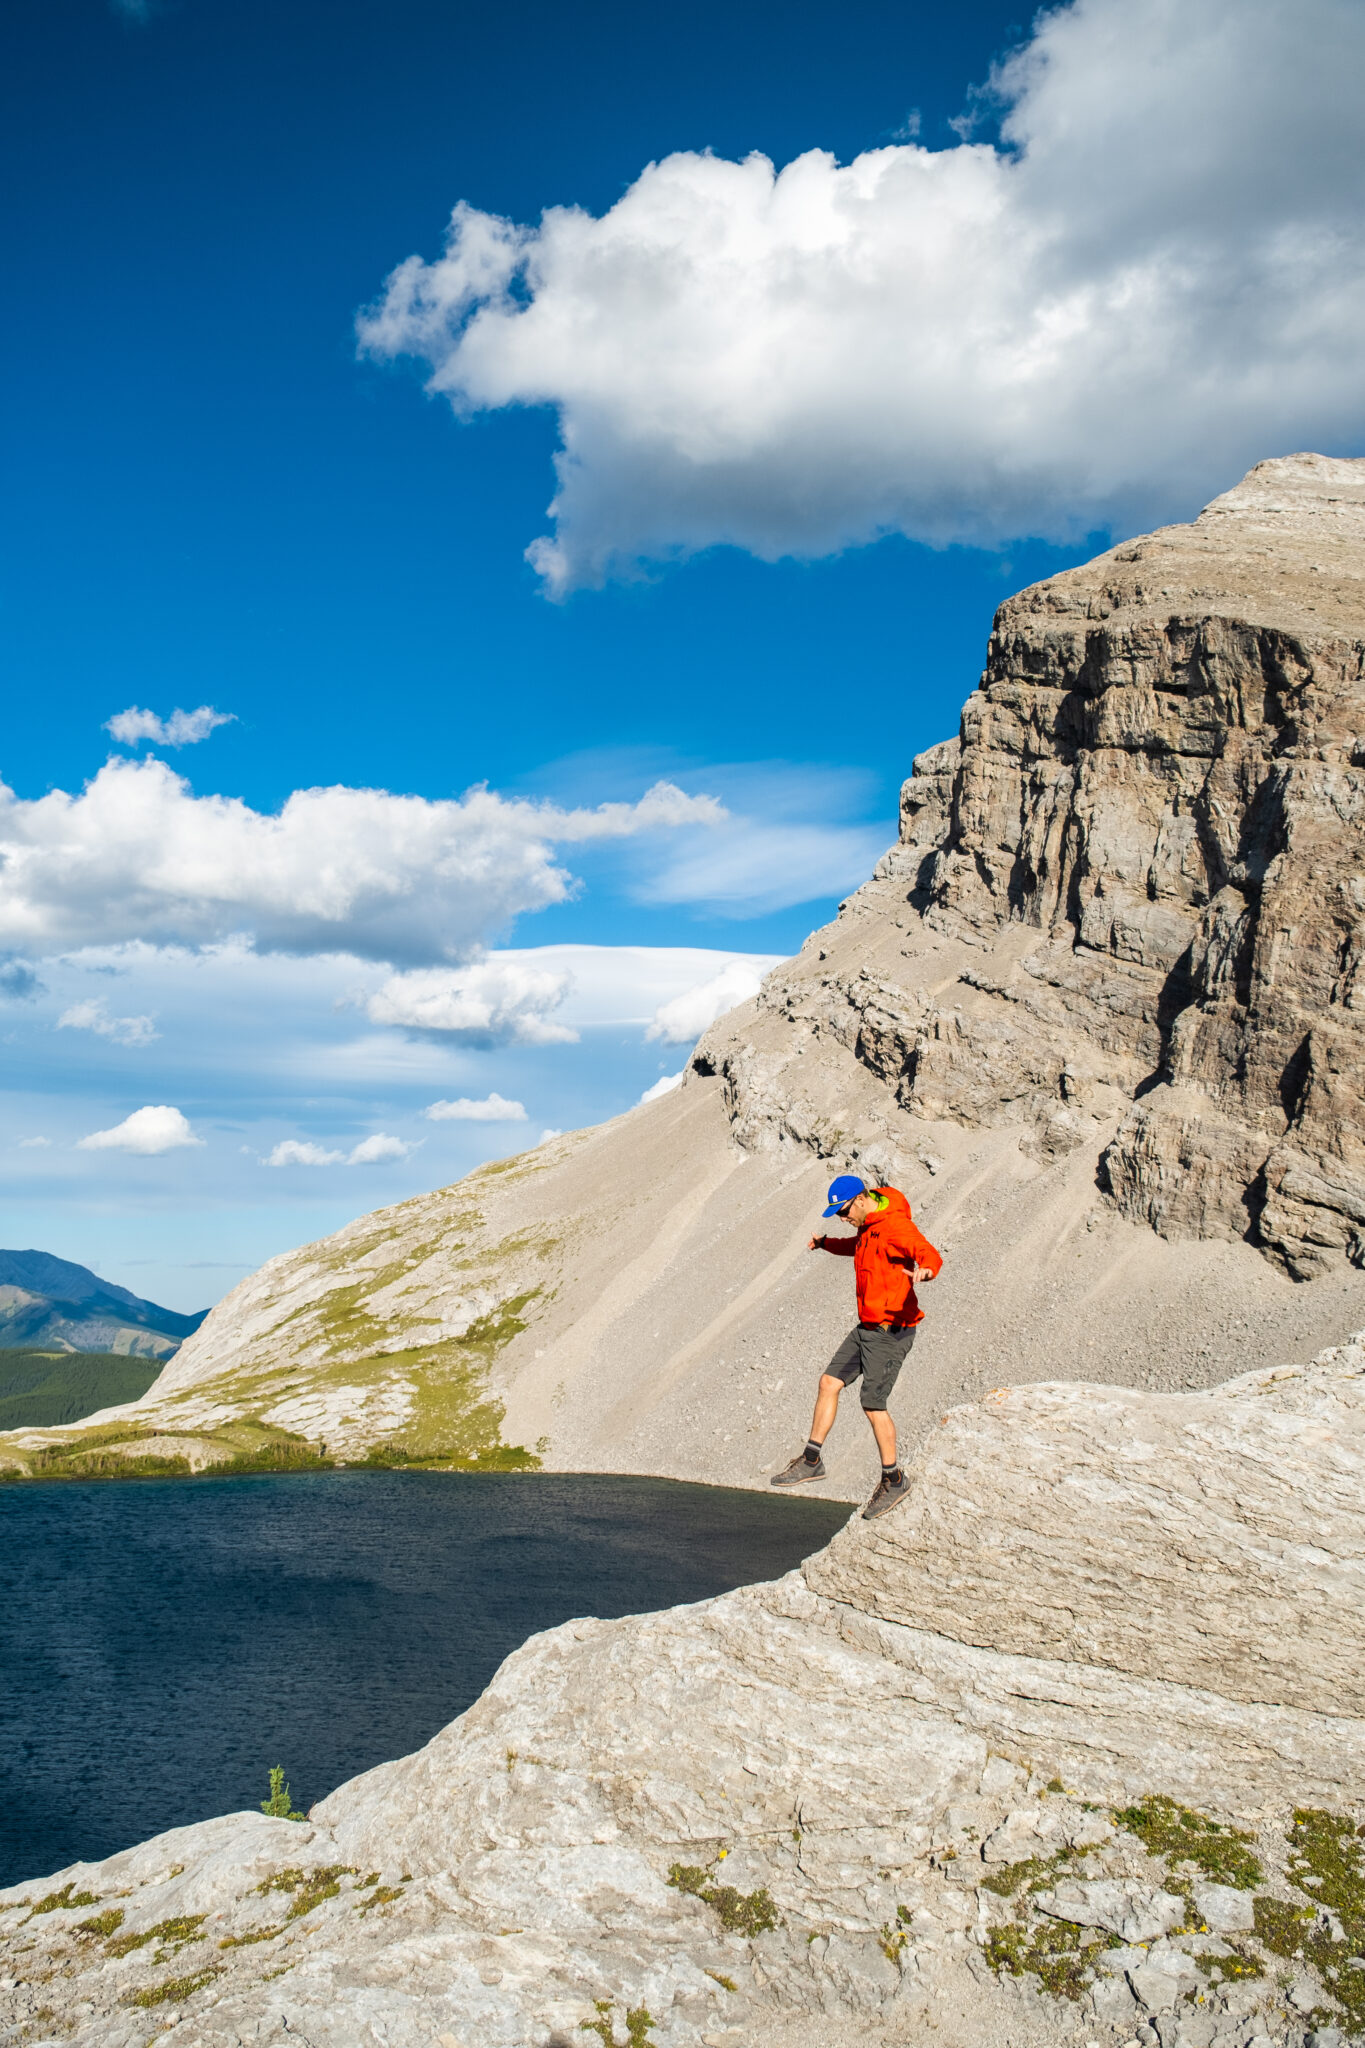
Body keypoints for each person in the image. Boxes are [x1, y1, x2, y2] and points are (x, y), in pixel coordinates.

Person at [770, 1173, 942, 1520]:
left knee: (873, 1404)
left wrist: (926, 1270)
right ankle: (811, 1460)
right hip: (867, 1327)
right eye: (837, 1214)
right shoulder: (867, 1227)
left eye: (844, 1211)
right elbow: (857, 1246)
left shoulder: (894, 1227)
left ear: (861, 1199)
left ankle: (894, 1479)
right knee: (828, 1382)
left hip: (891, 1330)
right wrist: (826, 1243)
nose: (842, 1218)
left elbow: (928, 1253)